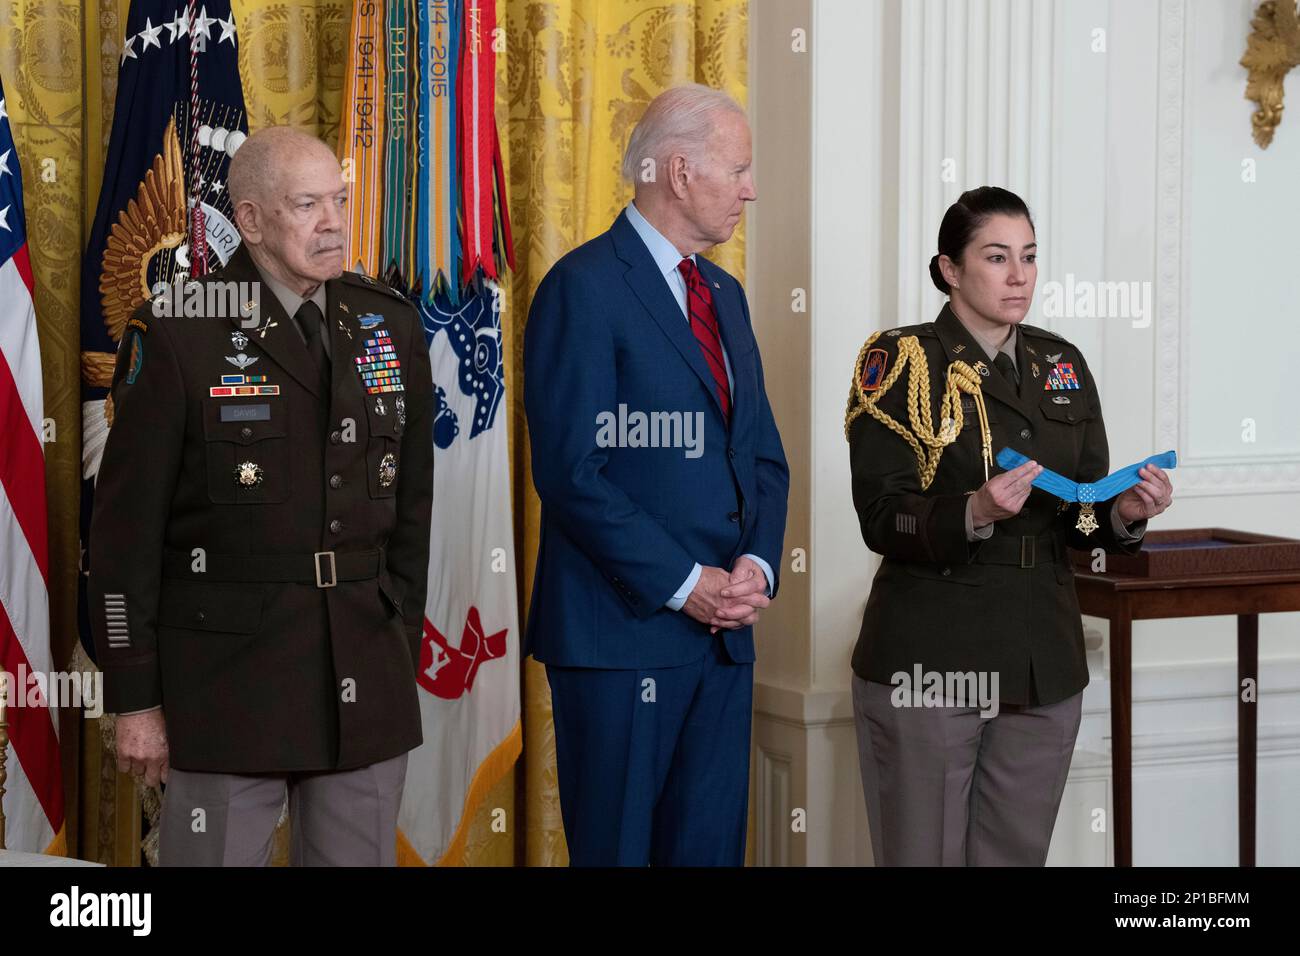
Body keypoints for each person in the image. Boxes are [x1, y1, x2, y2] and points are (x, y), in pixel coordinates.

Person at [88, 127, 434, 866]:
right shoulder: (179, 329)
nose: (333, 221)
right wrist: (137, 698)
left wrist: (397, 645)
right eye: (306, 205)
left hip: (363, 678)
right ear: (248, 220)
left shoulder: (389, 323)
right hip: (225, 688)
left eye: (338, 200)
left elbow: (411, 514)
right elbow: (122, 535)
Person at [845, 186, 1173, 866]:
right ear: (950, 269)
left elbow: (1080, 512)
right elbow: (882, 515)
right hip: (931, 656)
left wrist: (1124, 514)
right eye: (996, 257)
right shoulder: (903, 361)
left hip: (1040, 659)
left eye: (1028, 256)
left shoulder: (1062, 363)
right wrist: (973, 511)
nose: (1019, 274)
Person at [523, 84, 790, 866]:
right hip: (620, 642)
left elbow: (763, 455)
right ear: (678, 172)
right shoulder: (583, 286)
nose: (750, 188)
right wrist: (686, 582)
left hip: (724, 640)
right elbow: (572, 473)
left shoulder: (726, 296)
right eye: (737, 169)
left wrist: (755, 567)